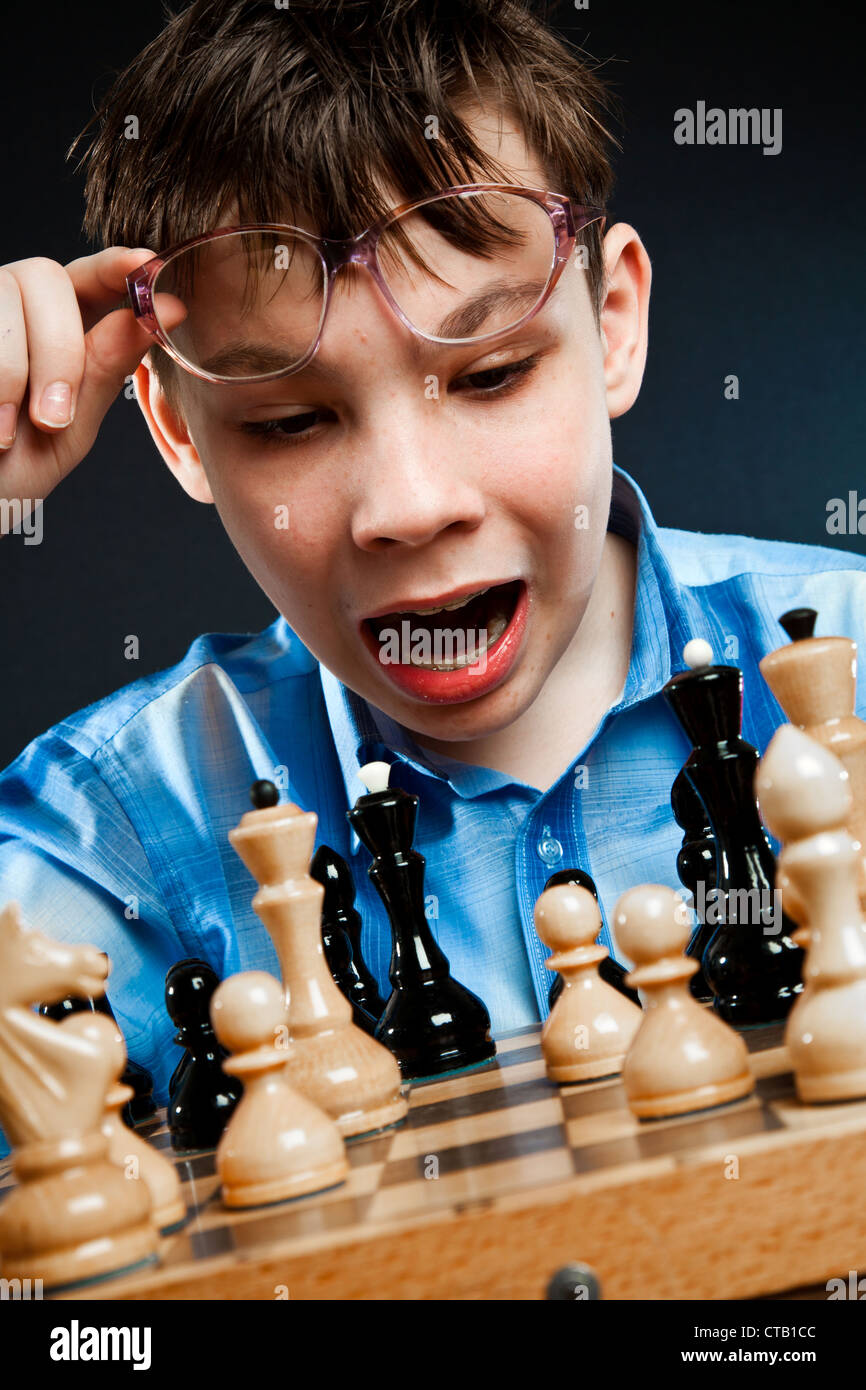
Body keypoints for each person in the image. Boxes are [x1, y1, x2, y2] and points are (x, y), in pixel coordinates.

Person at [1, 0, 864, 1122]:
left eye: (490, 372)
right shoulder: (112, 830)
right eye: (288, 421)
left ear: (610, 320)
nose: (408, 509)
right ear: (172, 427)